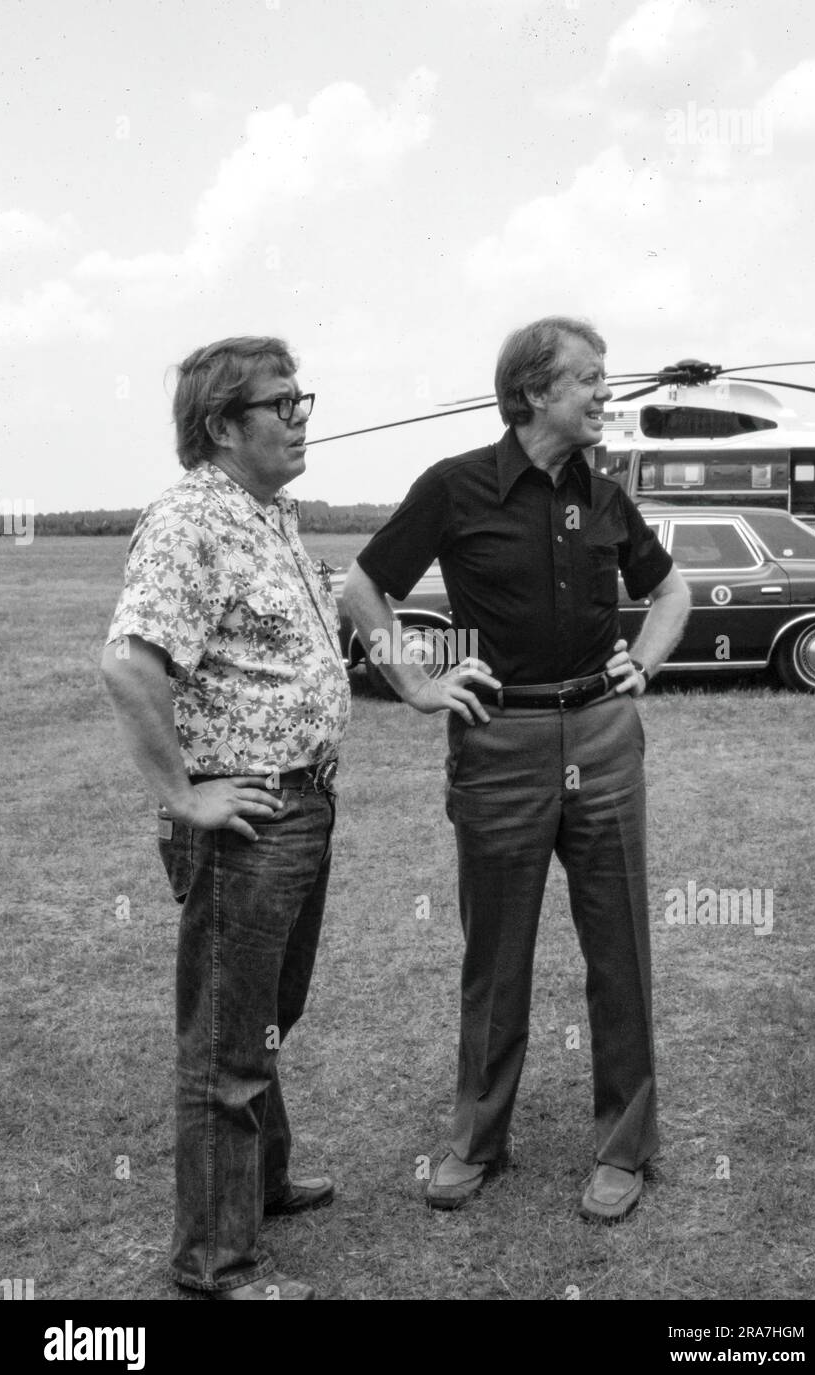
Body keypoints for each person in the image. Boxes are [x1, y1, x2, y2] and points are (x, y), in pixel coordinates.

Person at [344, 316, 691, 1221]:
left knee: (619, 946)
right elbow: (360, 586)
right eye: (589, 379)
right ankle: (475, 1142)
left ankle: (625, 1147)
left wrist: (643, 661)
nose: (604, 394)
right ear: (536, 390)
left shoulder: (605, 493)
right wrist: (416, 685)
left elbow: (671, 589)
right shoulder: (455, 487)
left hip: (605, 734)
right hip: (499, 743)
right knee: (494, 953)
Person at [101, 336, 350, 1299]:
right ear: (220, 427)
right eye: (281, 403)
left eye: (302, 398)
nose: (301, 416)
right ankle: (215, 1262)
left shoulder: (269, 514)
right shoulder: (191, 521)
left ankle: (267, 1183)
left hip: (302, 802)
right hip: (245, 820)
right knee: (226, 1045)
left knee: (268, 1019)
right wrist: (183, 794)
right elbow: (130, 663)